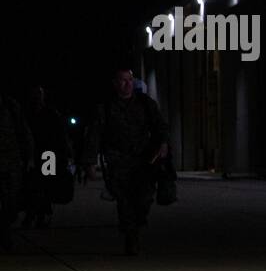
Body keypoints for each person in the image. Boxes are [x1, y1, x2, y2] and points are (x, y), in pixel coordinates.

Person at [81, 67, 168, 255]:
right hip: (118, 161)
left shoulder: (145, 104)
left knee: (144, 198)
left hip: (143, 161)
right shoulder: (105, 107)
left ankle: (136, 225)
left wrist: (162, 144)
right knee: (125, 201)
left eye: (130, 80)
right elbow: (94, 135)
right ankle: (131, 236)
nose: (127, 84)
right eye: (122, 80)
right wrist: (90, 162)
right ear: (115, 84)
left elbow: (160, 126)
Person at [21, 85, 72, 229]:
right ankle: (34, 213)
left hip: (47, 154)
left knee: (45, 185)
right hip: (34, 154)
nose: (37, 97)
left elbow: (60, 135)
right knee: (33, 185)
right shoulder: (27, 113)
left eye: (39, 94)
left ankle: (39, 214)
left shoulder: (50, 113)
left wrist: (64, 155)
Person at [0, 93, 33, 252]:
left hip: (11, 162)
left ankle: (4, 227)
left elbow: (23, 131)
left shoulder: (10, 105)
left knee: (12, 204)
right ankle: (5, 236)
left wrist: (29, 157)